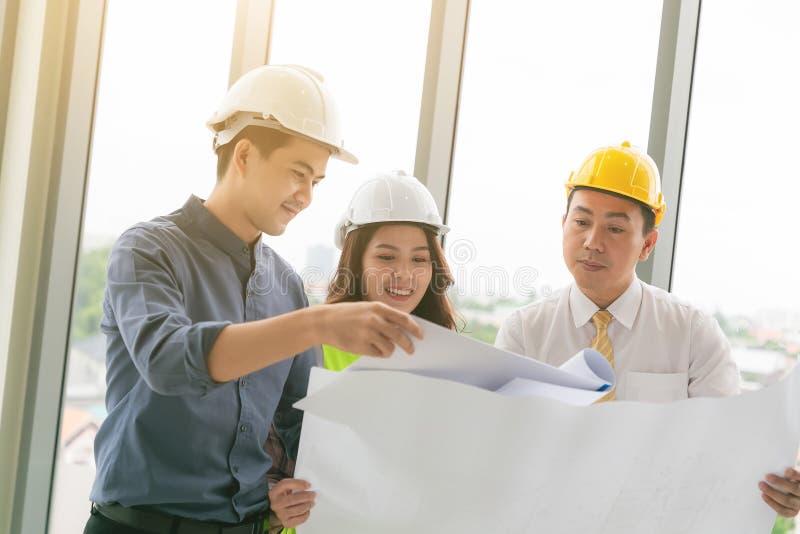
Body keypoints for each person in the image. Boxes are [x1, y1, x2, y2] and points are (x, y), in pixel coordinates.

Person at [85, 64, 423, 534]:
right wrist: (317, 325)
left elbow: (301, 421)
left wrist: (289, 485)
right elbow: (166, 361)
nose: (306, 196)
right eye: (298, 174)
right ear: (244, 155)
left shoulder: (285, 285)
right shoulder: (147, 249)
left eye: (317, 182)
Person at [494, 140, 800, 518]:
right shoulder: (524, 333)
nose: (592, 242)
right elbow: (500, 456)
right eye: (581, 222)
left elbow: (729, 453)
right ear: (563, 225)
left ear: (648, 244)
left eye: (615, 229)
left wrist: (780, 489)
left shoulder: (692, 334)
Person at [267, 170, 459, 532]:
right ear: (357, 263)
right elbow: (264, 458)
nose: (404, 274)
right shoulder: (309, 346)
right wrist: (273, 503)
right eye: (386, 258)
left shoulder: (449, 359)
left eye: (419, 259)